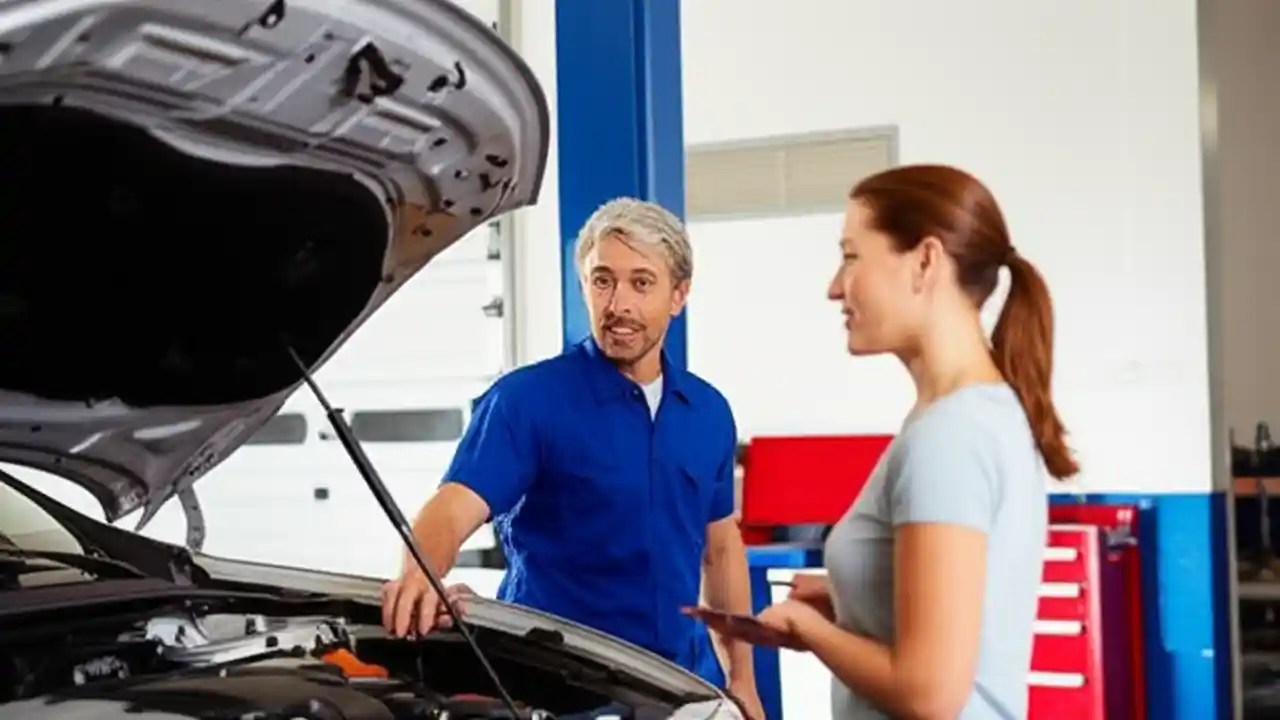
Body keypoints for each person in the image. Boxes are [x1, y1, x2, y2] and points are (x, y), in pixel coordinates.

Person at [696, 164, 1074, 719]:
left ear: (925, 261)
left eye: (851, 256)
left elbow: (929, 695)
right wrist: (852, 602)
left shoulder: (950, 436)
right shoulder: (980, 413)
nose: (834, 286)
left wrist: (807, 626)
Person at [380, 197, 764, 719]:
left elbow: (720, 551)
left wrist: (740, 678)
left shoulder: (709, 412)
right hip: (551, 690)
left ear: (679, 295)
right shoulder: (526, 401)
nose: (618, 303)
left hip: (678, 689)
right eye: (602, 280)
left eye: (641, 283)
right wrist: (420, 571)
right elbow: (452, 507)